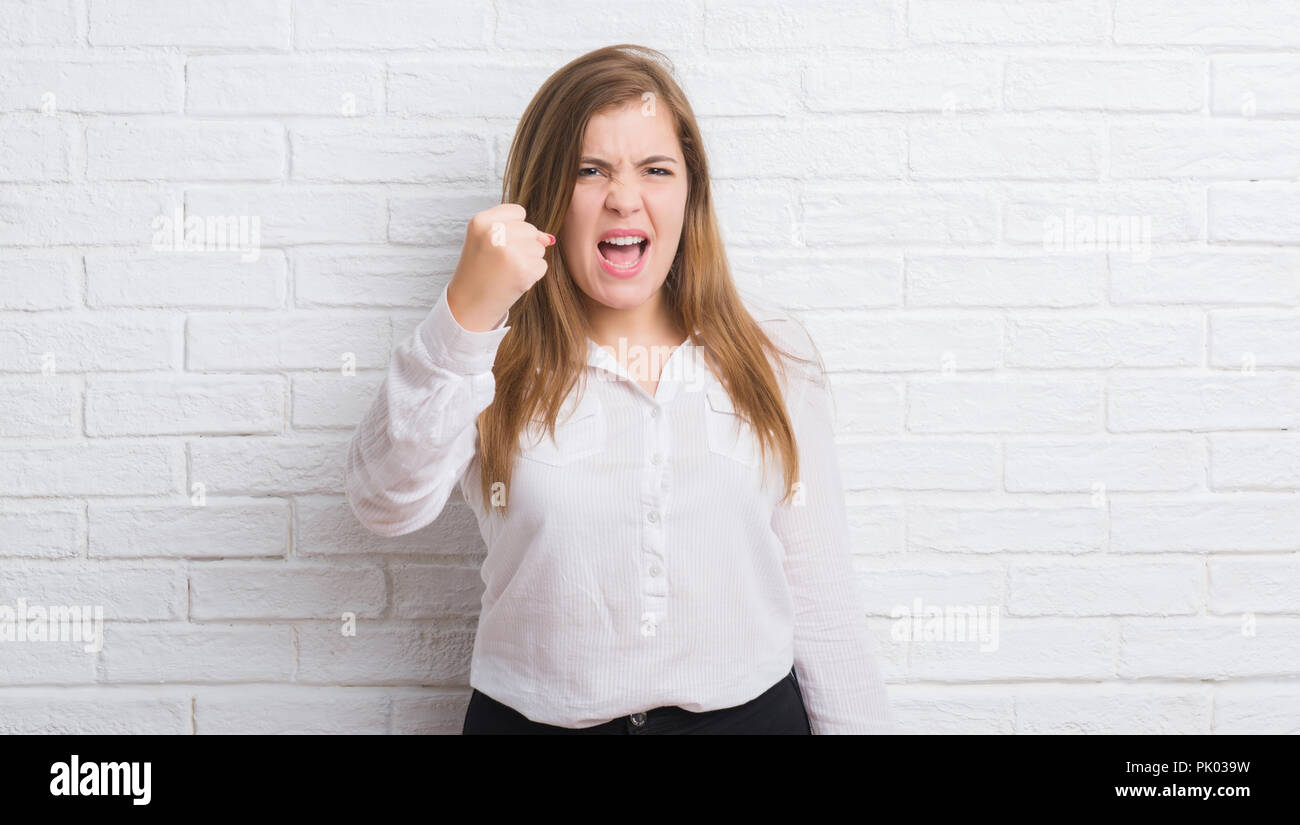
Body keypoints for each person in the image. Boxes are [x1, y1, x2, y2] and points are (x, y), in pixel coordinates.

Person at [344, 44, 897, 735]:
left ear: (689, 192)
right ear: (545, 197)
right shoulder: (491, 357)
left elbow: (823, 602)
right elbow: (383, 501)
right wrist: (465, 314)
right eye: (590, 170)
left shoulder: (771, 352)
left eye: (655, 169)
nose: (623, 197)